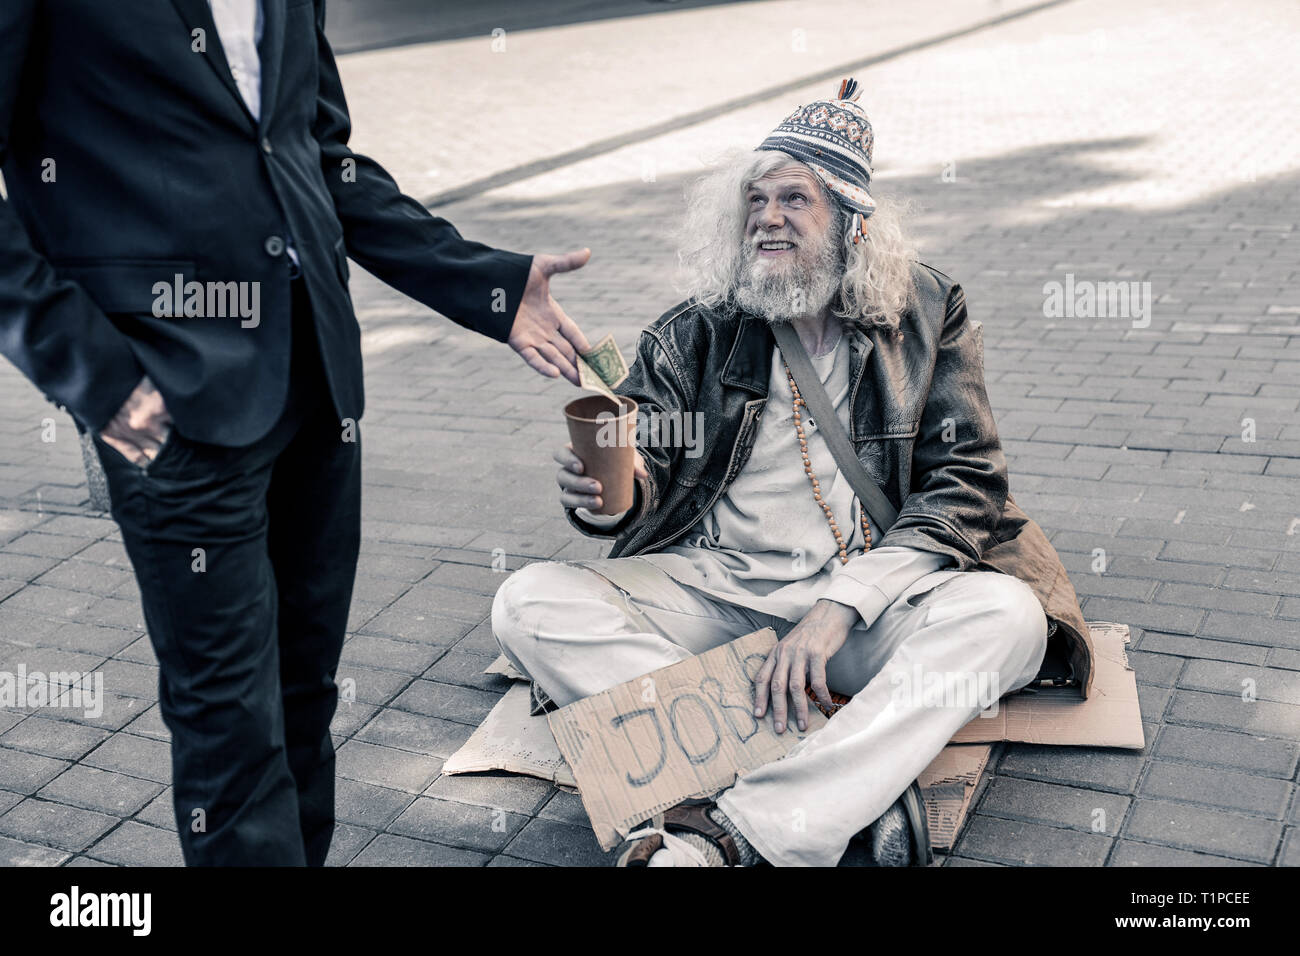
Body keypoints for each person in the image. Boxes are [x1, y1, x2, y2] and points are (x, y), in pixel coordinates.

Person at [0, 0, 591, 865]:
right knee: (231, 727)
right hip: (167, 409)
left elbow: (318, 154)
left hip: (316, 383)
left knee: (303, 697)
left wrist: (488, 286)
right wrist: (102, 384)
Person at [492, 78, 1091, 867]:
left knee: (1006, 617)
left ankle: (732, 828)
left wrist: (842, 605)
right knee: (529, 602)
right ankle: (836, 785)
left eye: (794, 200)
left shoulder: (925, 309)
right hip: (721, 594)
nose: (768, 218)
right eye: (755, 200)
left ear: (852, 222)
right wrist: (610, 499)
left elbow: (968, 478)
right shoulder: (694, 330)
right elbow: (647, 471)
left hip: (866, 600)